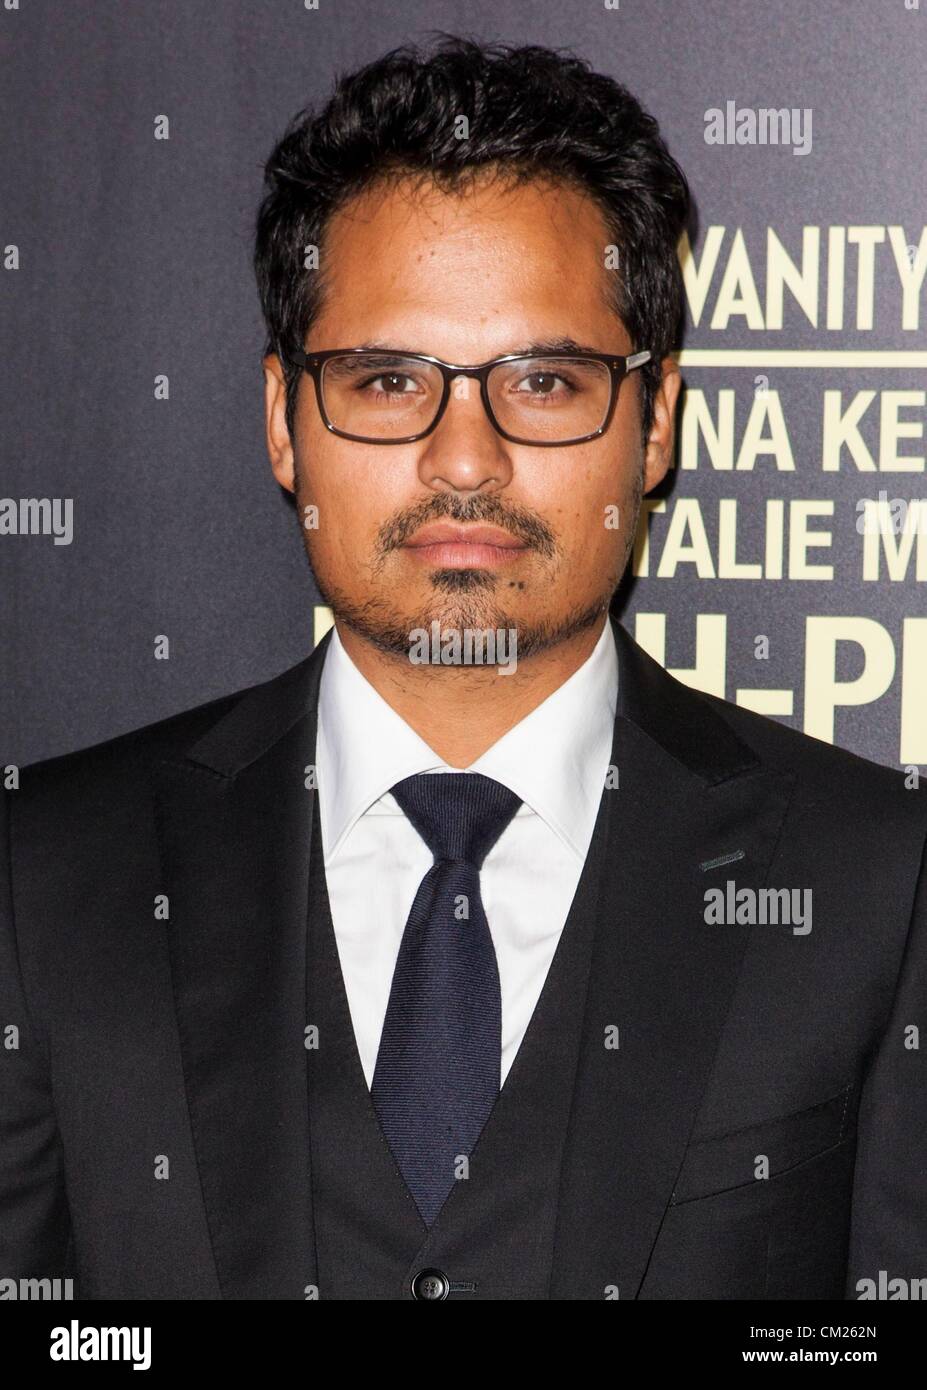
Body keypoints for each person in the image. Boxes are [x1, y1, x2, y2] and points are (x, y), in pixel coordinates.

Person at [2, 38, 925, 1301]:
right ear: (285, 419)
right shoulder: (47, 877)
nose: (465, 460)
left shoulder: (880, 877)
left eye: (544, 380)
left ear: (655, 422)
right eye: (387, 380)